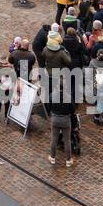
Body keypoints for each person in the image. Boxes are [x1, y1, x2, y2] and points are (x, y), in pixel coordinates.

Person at [42, 31, 74, 166]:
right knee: (67, 140)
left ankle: (52, 157)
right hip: (66, 120)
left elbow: (49, 104)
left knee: (53, 139)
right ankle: (68, 160)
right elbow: (69, 61)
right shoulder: (61, 52)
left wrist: (51, 112)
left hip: (54, 118)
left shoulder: (45, 49)